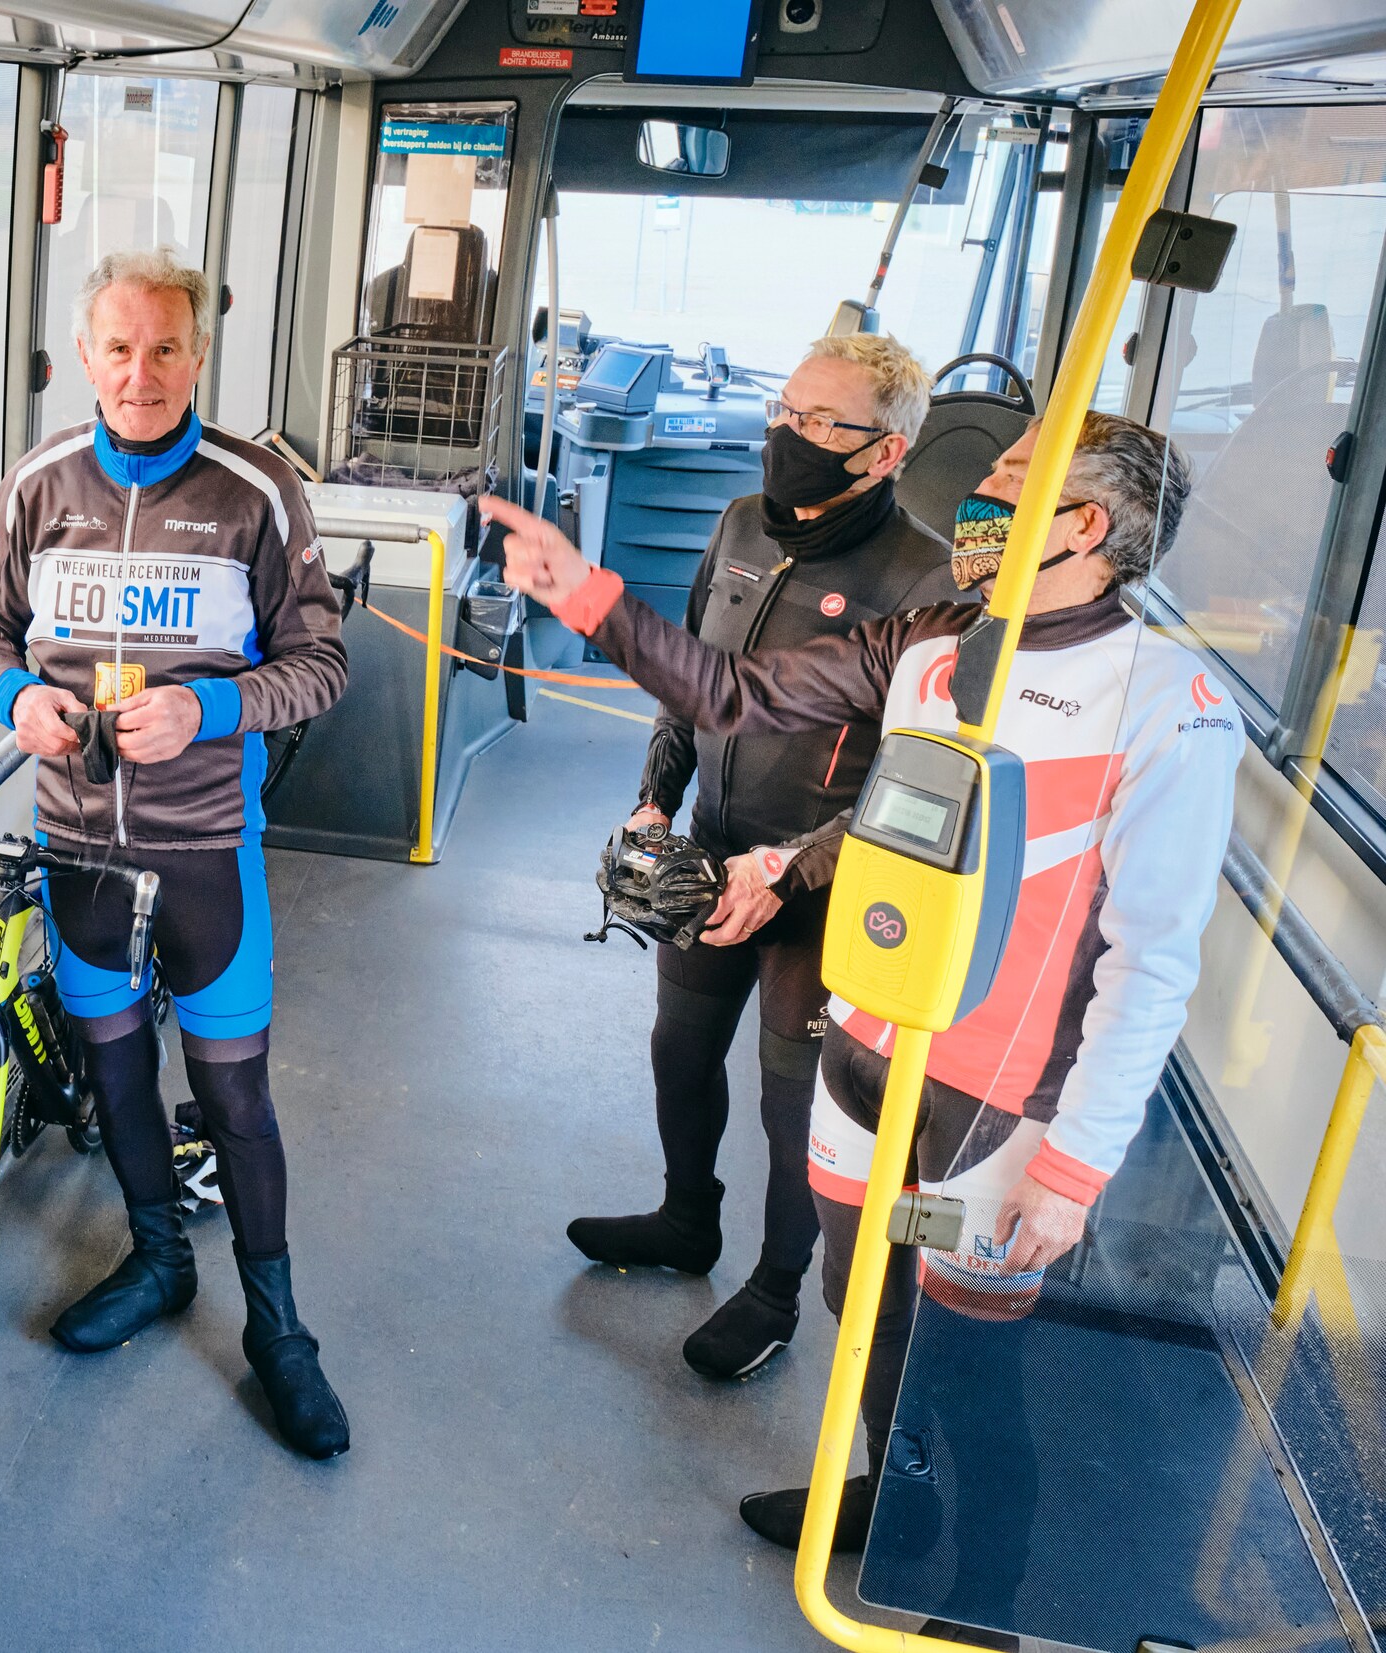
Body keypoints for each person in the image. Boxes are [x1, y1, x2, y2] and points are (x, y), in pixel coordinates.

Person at [488, 411, 1238, 1638]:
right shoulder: (935, 647)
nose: (972, 503)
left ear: (1083, 523)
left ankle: (978, 1599)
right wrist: (589, 600)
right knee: (866, 1309)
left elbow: (1152, 960)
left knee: (971, 1362)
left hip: (1003, 1101)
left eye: (1001, 481)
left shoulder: (1169, 703)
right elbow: (736, 696)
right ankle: (888, 1499)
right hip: (864, 1049)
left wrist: (1073, 1166)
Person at [0, 246, 352, 1459]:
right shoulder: (35, 484)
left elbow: (322, 663)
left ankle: (280, 1332)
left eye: (165, 347)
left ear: (197, 356)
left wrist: (211, 710)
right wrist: (13, 693)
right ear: (84, 357)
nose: (141, 371)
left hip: (201, 853)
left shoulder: (257, 492)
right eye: (118, 348)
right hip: (75, 848)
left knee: (232, 1094)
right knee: (115, 1077)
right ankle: (159, 1260)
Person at [569, 333, 961, 1383]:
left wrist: (794, 865)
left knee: (796, 1105)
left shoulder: (926, 577)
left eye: (819, 423)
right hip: (709, 852)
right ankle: (684, 1219)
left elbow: (917, 777)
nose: (786, 437)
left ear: (883, 453)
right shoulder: (741, 523)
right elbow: (691, 678)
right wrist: (657, 797)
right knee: (677, 1051)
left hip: (825, 884)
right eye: (785, 411)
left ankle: (773, 1292)